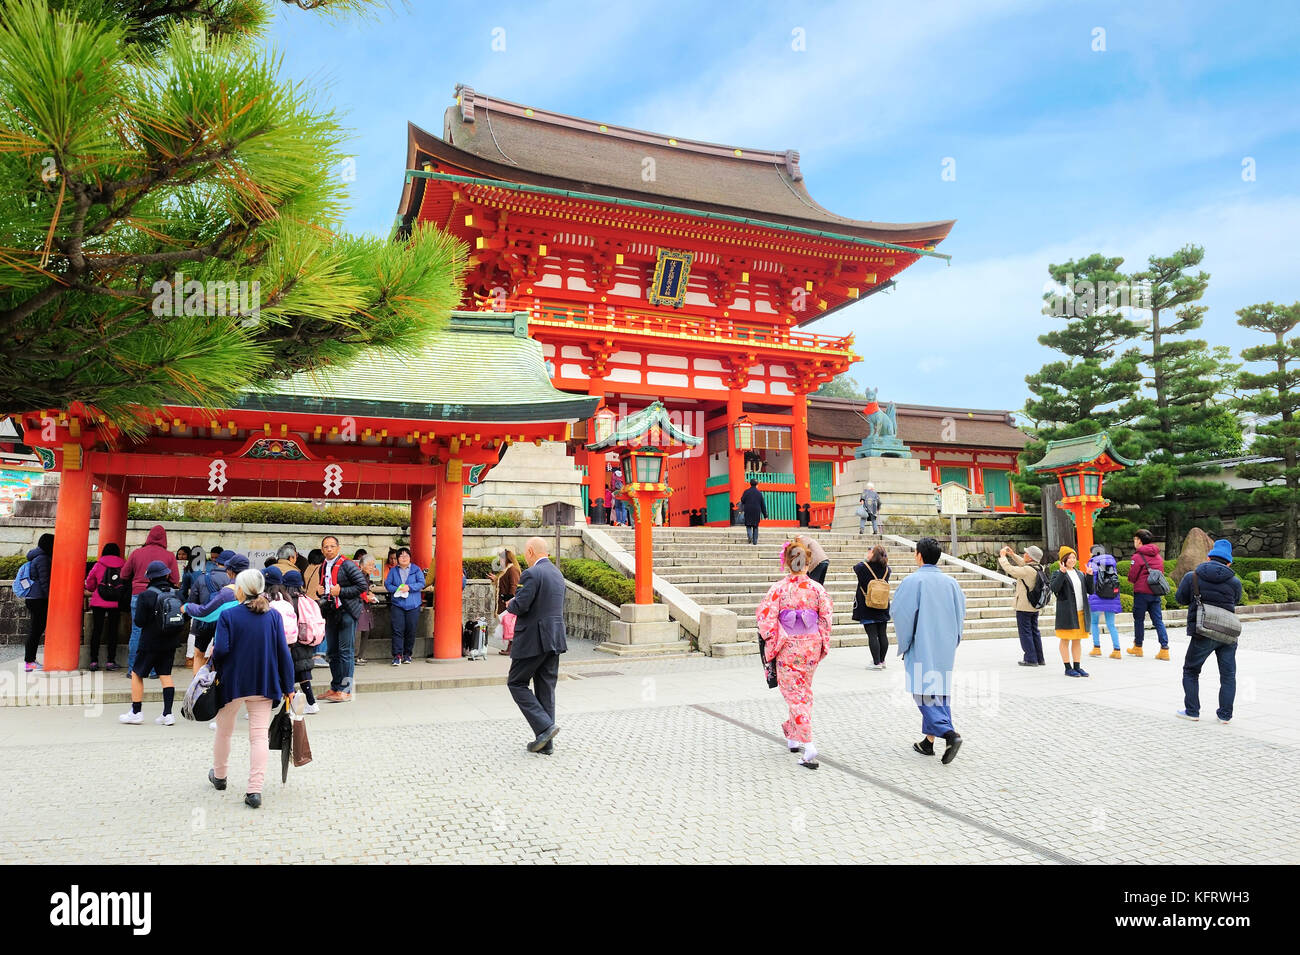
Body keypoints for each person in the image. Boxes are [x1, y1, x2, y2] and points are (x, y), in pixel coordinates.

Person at [207, 568, 296, 809]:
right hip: (264, 681)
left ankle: (220, 776)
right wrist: (289, 686)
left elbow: (222, 650)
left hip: (233, 682)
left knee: (224, 731)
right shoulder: (273, 616)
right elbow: (283, 653)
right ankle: (254, 790)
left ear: (241, 589)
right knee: (258, 737)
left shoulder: (229, 616)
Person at [757, 540, 833, 769]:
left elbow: (765, 618)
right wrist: (821, 641)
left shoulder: (779, 589)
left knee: (794, 695)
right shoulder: (817, 589)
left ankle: (808, 745)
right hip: (810, 646)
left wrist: (776, 639)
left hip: (788, 646)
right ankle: (792, 735)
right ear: (808, 563)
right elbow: (826, 617)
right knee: (803, 692)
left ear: (788, 563)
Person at [892, 537, 965, 763]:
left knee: (923, 692)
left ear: (919, 555)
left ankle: (949, 733)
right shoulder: (951, 583)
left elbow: (901, 615)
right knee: (939, 690)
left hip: (921, 643)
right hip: (944, 645)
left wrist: (904, 644)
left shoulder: (913, 581)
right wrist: (954, 640)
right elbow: (960, 614)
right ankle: (928, 743)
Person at [505, 536, 567, 754]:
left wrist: (511, 603)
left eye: (525, 552)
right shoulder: (557, 573)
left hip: (533, 639)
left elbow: (521, 605)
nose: (524, 556)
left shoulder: (531, 573)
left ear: (530, 551)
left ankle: (545, 727)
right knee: (546, 688)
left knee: (516, 683)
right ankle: (546, 744)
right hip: (554, 638)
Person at [1174, 539, 1243, 723]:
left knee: (1191, 670)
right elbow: (1236, 601)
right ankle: (1225, 716)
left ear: (1209, 557)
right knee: (1228, 675)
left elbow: (1180, 599)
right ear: (1229, 562)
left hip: (1202, 631)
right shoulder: (1234, 581)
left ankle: (1192, 711)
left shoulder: (1192, 577)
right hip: (1228, 633)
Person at [118, 561, 184, 726]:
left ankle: (136, 711)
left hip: (150, 642)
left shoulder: (146, 595)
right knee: (166, 675)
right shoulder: (175, 594)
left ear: (150, 577)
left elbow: (139, 622)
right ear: (167, 575)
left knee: (137, 674)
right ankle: (167, 714)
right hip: (170, 642)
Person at [120, 524, 179, 675]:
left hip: (138, 594)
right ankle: (153, 671)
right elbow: (175, 579)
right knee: (157, 631)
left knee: (136, 631)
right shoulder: (169, 556)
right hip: (161, 597)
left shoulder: (136, 553)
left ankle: (133, 669)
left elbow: (124, 575)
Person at [318, 536, 367, 703]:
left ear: (338, 548)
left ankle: (346, 690)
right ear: (322, 549)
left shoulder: (347, 564)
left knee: (346, 652)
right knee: (332, 652)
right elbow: (327, 588)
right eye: (326, 547)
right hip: (331, 612)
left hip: (346, 611)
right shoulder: (323, 565)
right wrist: (320, 592)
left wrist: (341, 591)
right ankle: (336, 687)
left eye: (332, 546)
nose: (329, 549)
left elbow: (362, 586)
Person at [998, 544, 1048, 667]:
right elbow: (1023, 563)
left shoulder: (1027, 570)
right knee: (1034, 631)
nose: (1024, 554)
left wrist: (1003, 557)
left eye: (1026, 553)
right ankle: (1039, 658)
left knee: (1025, 632)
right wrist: (1012, 555)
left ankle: (1030, 659)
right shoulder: (1039, 567)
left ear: (1030, 557)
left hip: (1024, 606)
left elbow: (1010, 569)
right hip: (1034, 606)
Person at [279, 570, 320, 713]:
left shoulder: (286, 602)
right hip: (306, 639)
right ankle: (310, 703)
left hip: (292, 642)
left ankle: (294, 705)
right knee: (303, 674)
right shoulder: (306, 599)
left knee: (287, 674)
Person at [1050, 546, 1094, 677]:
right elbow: (1054, 588)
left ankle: (1077, 666)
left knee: (1077, 640)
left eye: (1074, 557)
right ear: (1063, 560)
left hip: (1080, 611)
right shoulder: (1058, 573)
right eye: (1069, 558)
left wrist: (1090, 576)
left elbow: (1090, 590)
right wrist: (1062, 573)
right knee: (1065, 640)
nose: (1072, 560)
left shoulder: (1080, 573)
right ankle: (1067, 667)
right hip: (1067, 612)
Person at [1127, 529, 1170, 660]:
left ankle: (1138, 647)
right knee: (1158, 620)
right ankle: (1164, 649)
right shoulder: (1158, 556)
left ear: (1139, 541)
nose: (1134, 542)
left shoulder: (1137, 557)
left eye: (1135, 539)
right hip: (1155, 592)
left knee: (1139, 620)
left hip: (1141, 593)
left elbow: (1132, 577)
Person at [84, 542, 126, 671]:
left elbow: (90, 583)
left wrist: (93, 589)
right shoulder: (123, 565)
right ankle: (110, 661)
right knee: (112, 631)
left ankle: (93, 661)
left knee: (97, 630)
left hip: (99, 601)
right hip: (116, 602)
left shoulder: (99, 564)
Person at [852, 544, 892, 669]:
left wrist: (867, 559)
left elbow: (856, 567)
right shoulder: (887, 569)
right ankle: (882, 661)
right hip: (882, 604)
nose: (868, 553)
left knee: (872, 635)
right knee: (882, 634)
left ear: (873, 555)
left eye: (870, 552)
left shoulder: (862, 567)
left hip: (867, 605)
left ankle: (876, 663)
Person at [384, 547, 425, 665]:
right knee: (397, 630)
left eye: (406, 556)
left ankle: (408, 654)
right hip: (398, 604)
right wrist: (397, 589)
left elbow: (421, 583)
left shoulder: (416, 569)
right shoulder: (393, 571)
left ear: (410, 557)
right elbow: (388, 584)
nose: (404, 558)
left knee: (411, 630)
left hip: (413, 604)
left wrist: (409, 587)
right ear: (397, 559)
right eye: (401, 556)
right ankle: (397, 655)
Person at [21, 533, 53, 672]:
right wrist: (51, 597)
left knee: (36, 629)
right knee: (36, 630)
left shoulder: (36, 556)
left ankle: (30, 661)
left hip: (33, 598)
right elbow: (45, 581)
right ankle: (29, 661)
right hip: (39, 599)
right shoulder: (43, 559)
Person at [1087, 544, 1123, 659]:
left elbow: (1090, 582)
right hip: (1111, 597)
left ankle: (1097, 648)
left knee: (1094, 623)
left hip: (1097, 597)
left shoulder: (1092, 563)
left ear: (1092, 553)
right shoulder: (1112, 563)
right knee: (1111, 624)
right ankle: (1117, 650)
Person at [488, 547, 521, 655]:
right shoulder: (507, 570)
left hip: (508, 603)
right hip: (504, 602)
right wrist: (496, 579)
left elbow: (513, 586)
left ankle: (511, 648)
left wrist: (509, 600)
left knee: (509, 625)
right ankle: (510, 647)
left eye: (501, 559)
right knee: (507, 625)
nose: (500, 561)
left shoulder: (512, 570)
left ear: (506, 559)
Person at [302, 547, 327, 668]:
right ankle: (319, 655)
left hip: (307, 601)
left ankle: (312, 654)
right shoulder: (321, 569)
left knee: (311, 628)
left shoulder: (308, 568)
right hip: (318, 602)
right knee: (322, 628)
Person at [353, 549, 379, 665]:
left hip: (365, 606)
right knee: (359, 631)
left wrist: (370, 595)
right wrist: (366, 596)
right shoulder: (357, 575)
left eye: (373, 565)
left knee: (365, 631)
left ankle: (360, 656)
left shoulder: (366, 576)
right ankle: (355, 656)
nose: (371, 567)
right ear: (362, 565)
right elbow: (357, 590)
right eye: (369, 565)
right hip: (359, 606)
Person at [740, 478, 767, 545]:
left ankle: (750, 536)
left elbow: (742, 500)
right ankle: (755, 541)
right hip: (756, 510)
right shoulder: (759, 493)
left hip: (748, 510)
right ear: (757, 484)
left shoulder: (746, 492)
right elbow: (763, 504)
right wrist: (765, 515)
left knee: (748, 525)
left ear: (750, 484)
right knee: (755, 526)